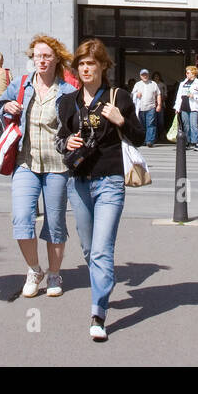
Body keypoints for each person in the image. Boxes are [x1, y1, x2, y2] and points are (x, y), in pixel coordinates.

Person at [57, 38, 144, 341]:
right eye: (81, 64)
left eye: (91, 63)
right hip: (78, 181)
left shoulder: (118, 98)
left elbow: (140, 136)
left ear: (103, 66)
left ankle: (98, 312)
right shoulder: (68, 101)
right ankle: (103, 280)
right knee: (89, 249)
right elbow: (61, 139)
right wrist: (66, 142)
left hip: (110, 180)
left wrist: (121, 120)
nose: (85, 69)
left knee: (102, 249)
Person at [0, 35, 77, 299]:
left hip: (57, 166)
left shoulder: (66, 91)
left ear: (56, 60)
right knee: (21, 218)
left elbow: (77, 124)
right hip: (25, 162)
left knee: (55, 222)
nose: (41, 60)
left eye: (46, 56)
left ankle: (54, 273)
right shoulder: (21, 85)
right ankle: (34, 269)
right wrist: (5, 106)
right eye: (37, 56)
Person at [172, 65, 198, 151]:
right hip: (184, 107)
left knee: (193, 125)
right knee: (186, 126)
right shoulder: (183, 83)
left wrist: (194, 96)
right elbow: (179, 96)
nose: (186, 74)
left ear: (193, 73)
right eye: (186, 72)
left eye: (188, 72)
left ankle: (196, 143)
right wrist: (177, 108)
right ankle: (187, 142)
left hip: (194, 107)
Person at [131, 68, 161, 147]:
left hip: (151, 107)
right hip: (140, 108)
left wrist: (159, 105)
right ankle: (143, 140)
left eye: (146, 74)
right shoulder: (137, 84)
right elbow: (132, 95)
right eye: (143, 75)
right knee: (142, 125)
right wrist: (136, 94)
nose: (144, 76)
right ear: (140, 76)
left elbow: (158, 94)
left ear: (148, 75)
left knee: (150, 124)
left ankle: (149, 141)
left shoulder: (153, 83)